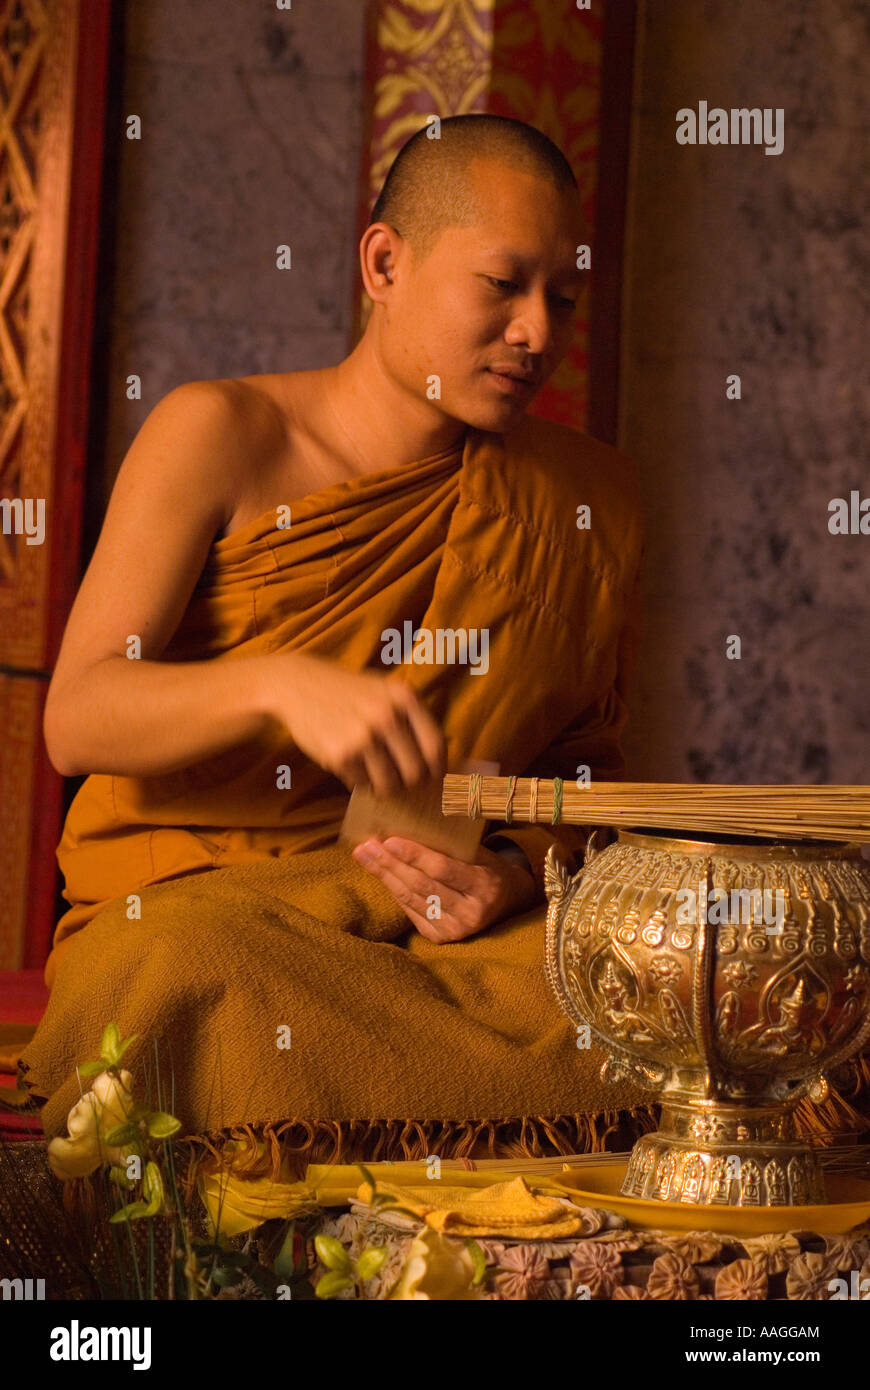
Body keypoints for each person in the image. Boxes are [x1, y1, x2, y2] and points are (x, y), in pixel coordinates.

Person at [18, 115, 650, 1174]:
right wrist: (277, 684)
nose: (539, 331)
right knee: (192, 977)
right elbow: (78, 718)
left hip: (441, 929)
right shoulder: (221, 433)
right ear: (385, 262)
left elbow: (588, 784)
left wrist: (512, 871)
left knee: (650, 988)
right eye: (504, 284)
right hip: (213, 910)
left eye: (564, 298)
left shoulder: (585, 502)